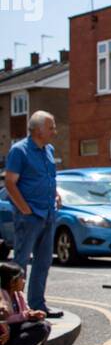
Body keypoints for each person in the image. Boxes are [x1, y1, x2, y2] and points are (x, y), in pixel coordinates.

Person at [5, 111, 63, 318]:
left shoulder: (48, 149)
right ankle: (15, 308)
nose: (54, 131)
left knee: (43, 262)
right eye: (51, 127)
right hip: (29, 217)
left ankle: (38, 304)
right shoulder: (19, 151)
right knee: (20, 264)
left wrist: (55, 194)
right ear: (38, 130)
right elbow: (10, 182)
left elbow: (47, 177)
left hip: (48, 214)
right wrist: (25, 209)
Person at [0, 261, 56, 345]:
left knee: (44, 325)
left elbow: (25, 311)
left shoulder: (18, 295)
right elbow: (5, 318)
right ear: (12, 281)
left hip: (15, 329)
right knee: (40, 327)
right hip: (4, 331)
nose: (24, 281)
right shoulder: (2, 295)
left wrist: (33, 314)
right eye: (22, 278)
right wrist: (26, 316)